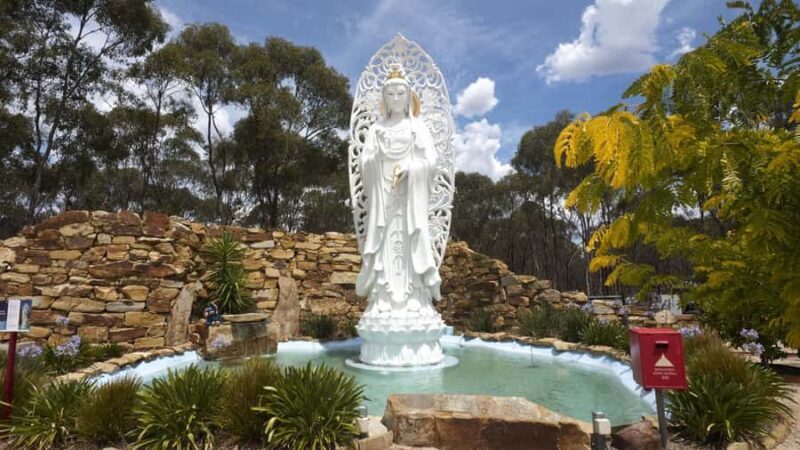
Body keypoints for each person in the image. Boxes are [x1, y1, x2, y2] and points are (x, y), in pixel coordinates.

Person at [355, 65, 441, 317]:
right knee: (383, 246)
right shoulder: (375, 130)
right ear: (383, 99)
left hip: (410, 200)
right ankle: (381, 301)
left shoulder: (418, 128)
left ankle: (418, 299)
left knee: (412, 241)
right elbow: (365, 163)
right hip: (383, 200)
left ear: (409, 98)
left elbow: (431, 162)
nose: (395, 99)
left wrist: (411, 169)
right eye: (390, 95)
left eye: (400, 94)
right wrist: (377, 160)